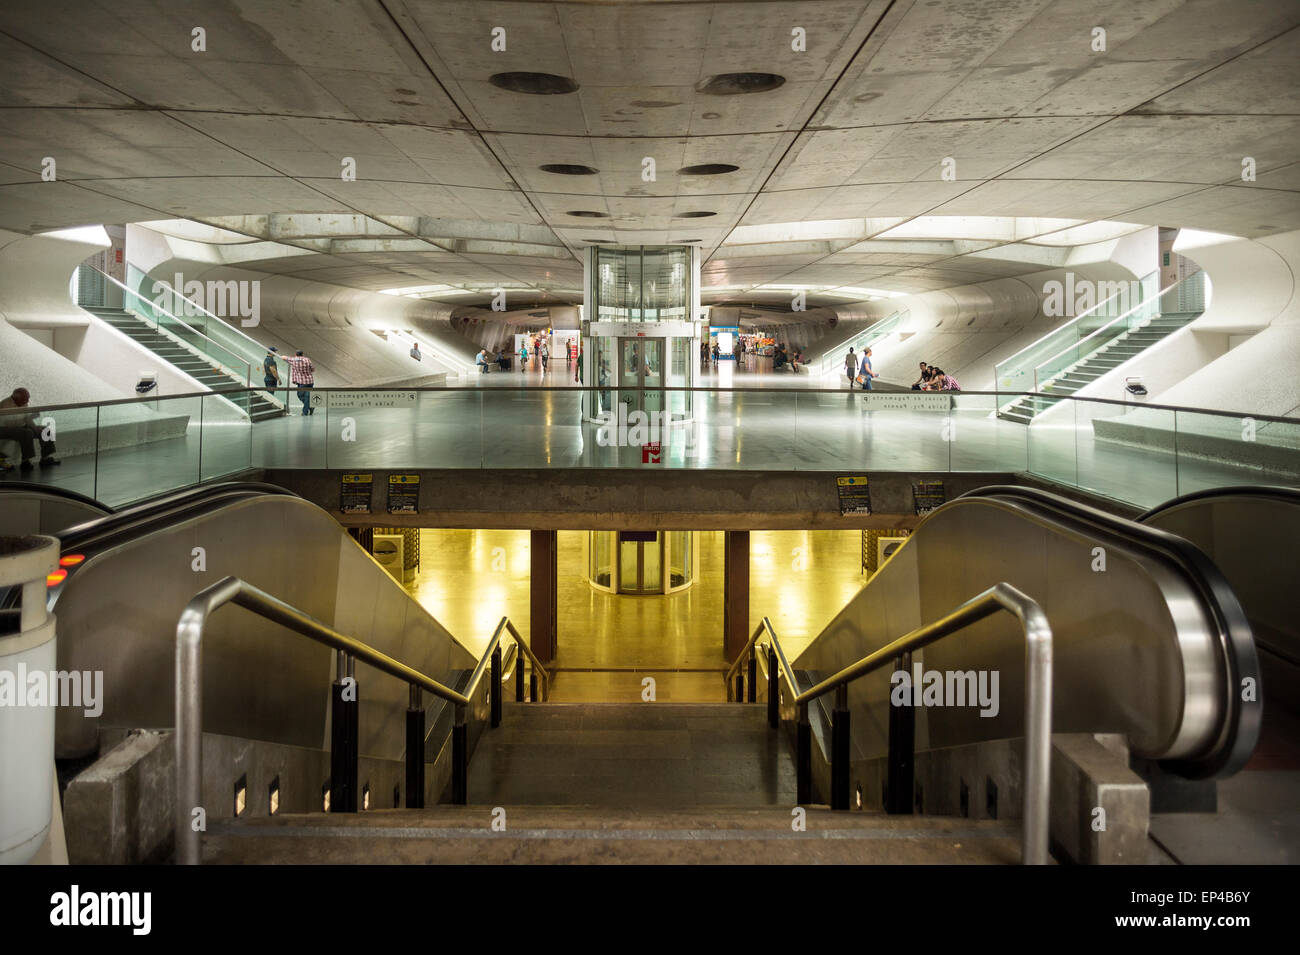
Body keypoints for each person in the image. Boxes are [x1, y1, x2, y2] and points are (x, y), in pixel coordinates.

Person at [0, 388, 59, 471]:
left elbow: (27, 418)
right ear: (16, 398)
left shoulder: (22, 403)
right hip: (4, 429)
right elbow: (10, 424)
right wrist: (31, 418)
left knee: (45, 430)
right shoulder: (5, 405)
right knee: (27, 433)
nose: (27, 401)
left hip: (21, 427)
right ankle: (25, 462)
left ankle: (45, 458)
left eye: (28, 398)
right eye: (25, 399)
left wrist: (36, 429)